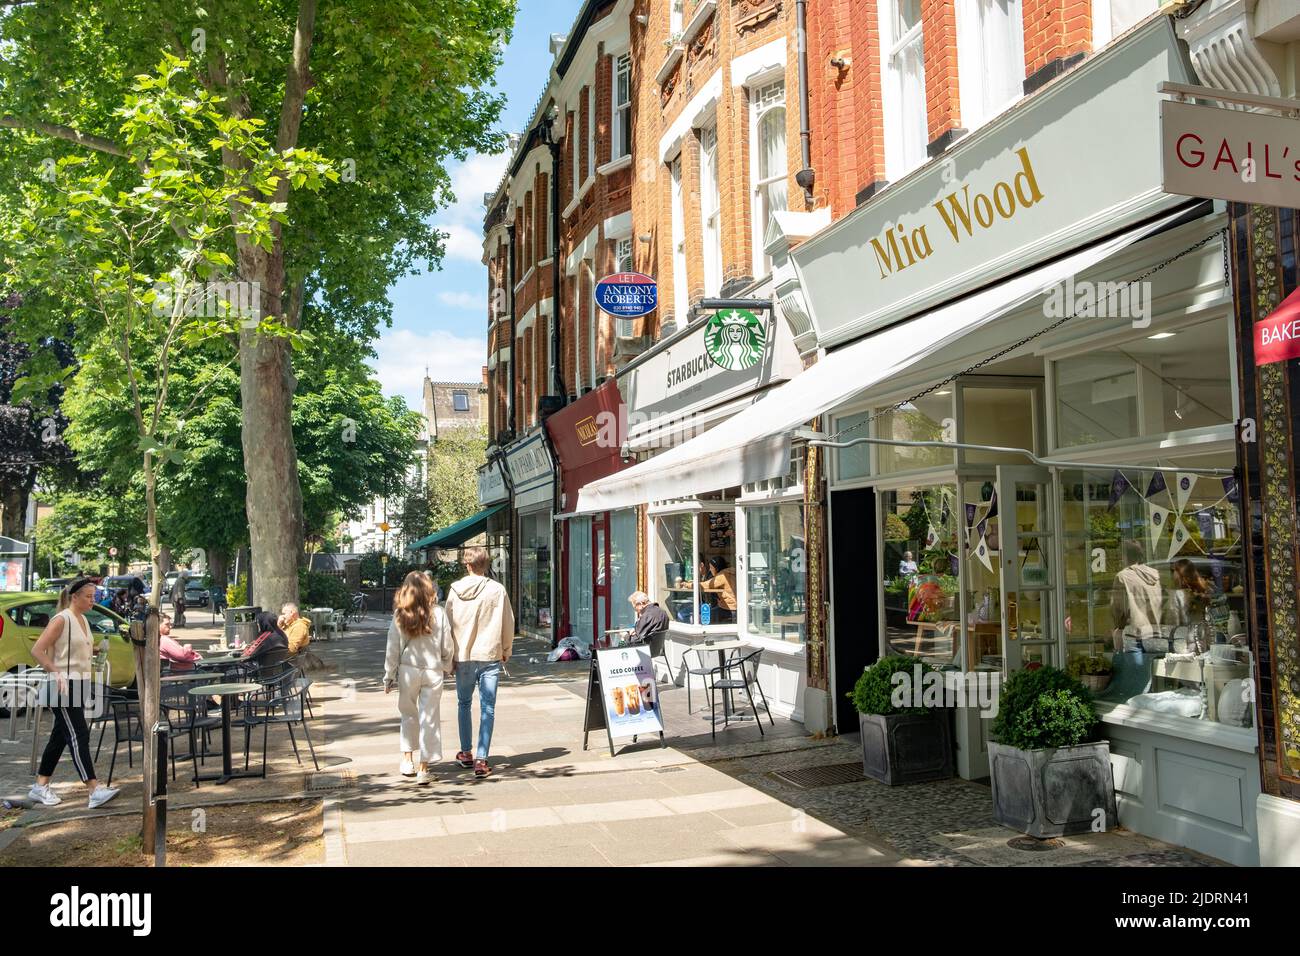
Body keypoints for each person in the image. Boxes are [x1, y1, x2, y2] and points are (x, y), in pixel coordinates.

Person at [27, 577, 120, 810]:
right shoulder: (62, 619)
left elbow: (75, 649)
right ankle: (93, 789)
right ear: (74, 597)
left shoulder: (83, 620)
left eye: (94, 597)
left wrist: (96, 649)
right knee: (79, 735)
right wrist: (56, 671)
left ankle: (40, 786)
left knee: (60, 738)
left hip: (80, 683)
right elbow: (37, 650)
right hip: (63, 686)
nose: (92, 601)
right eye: (88, 597)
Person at [445, 547, 515, 778]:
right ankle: (482, 760)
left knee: (463, 704)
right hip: (489, 654)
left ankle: (466, 753)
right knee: (488, 708)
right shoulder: (497, 590)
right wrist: (506, 649)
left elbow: (447, 626)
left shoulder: (455, 591)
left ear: (467, 565)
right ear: (487, 565)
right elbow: (508, 622)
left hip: (463, 656)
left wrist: (448, 658)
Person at [383, 571, 453, 786]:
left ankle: (407, 760)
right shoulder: (439, 613)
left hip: (407, 670)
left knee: (408, 715)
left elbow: (392, 648)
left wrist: (389, 676)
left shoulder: (400, 614)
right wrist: (447, 665)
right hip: (432, 670)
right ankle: (424, 767)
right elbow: (447, 645)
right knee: (430, 718)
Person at [1110, 540, 1163, 652]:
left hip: (1135, 635)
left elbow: (1117, 609)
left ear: (1124, 556)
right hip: (1158, 632)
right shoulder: (1155, 574)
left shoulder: (1122, 577)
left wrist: (1118, 628)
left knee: (1135, 668)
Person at [1171, 558, 1213, 652]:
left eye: (1173, 571)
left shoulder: (1179, 594)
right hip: (1203, 637)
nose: (1172, 574)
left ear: (1180, 573)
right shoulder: (1205, 589)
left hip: (1185, 641)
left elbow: (1174, 620)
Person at [699, 556, 737, 624]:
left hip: (728, 609)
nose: (710, 570)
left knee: (704, 618)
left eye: (711, 568)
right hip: (735, 608)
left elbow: (706, 585)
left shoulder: (722, 576)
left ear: (716, 568)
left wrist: (689, 585)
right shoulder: (730, 573)